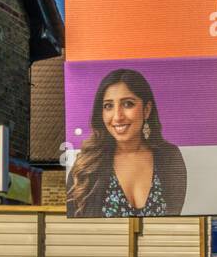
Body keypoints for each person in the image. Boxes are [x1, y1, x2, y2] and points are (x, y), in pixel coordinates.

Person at [68, 68, 186, 217]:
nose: (117, 117)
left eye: (128, 104)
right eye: (108, 106)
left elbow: (175, 220)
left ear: (147, 109)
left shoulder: (170, 158)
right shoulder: (86, 166)